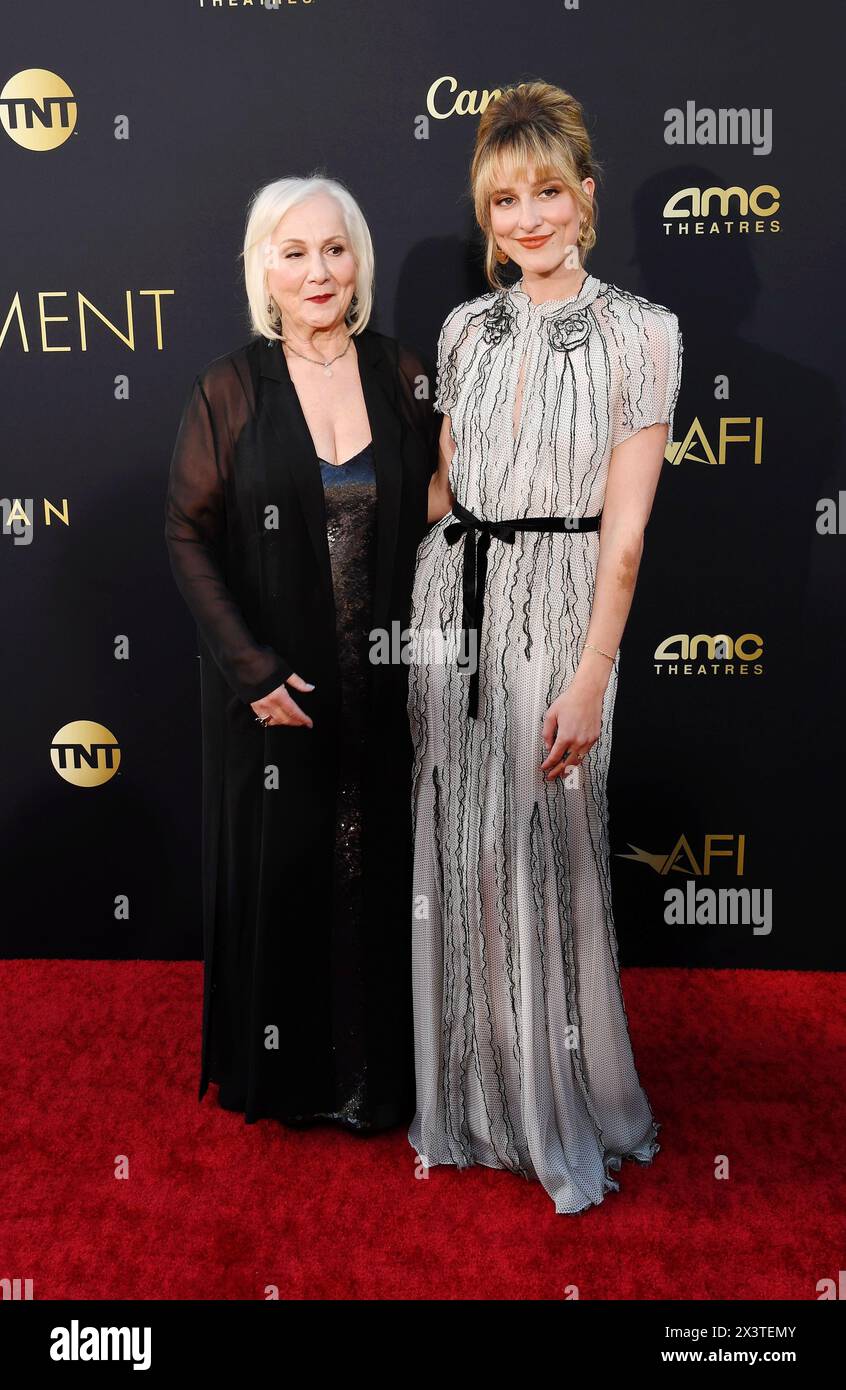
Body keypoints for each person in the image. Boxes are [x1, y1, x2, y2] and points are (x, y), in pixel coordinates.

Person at [407, 82, 683, 1213]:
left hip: (563, 613)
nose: (527, 218)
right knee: (464, 856)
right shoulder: (464, 327)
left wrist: (592, 673)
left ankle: (562, 1103)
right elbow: (443, 480)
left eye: (547, 193)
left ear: (586, 197)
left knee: (546, 855)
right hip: (452, 611)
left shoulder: (643, 332)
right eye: (504, 198)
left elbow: (624, 540)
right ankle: (472, 1106)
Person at [165, 175, 436, 1134]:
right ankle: (297, 1083)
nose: (317, 271)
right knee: (292, 871)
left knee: (387, 876)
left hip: (395, 691)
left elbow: (449, 512)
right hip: (282, 692)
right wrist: (252, 674)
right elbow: (187, 536)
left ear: (358, 260)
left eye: (334, 249)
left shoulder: (405, 376)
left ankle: (386, 1082)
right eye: (294, 252)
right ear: (263, 271)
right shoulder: (229, 388)